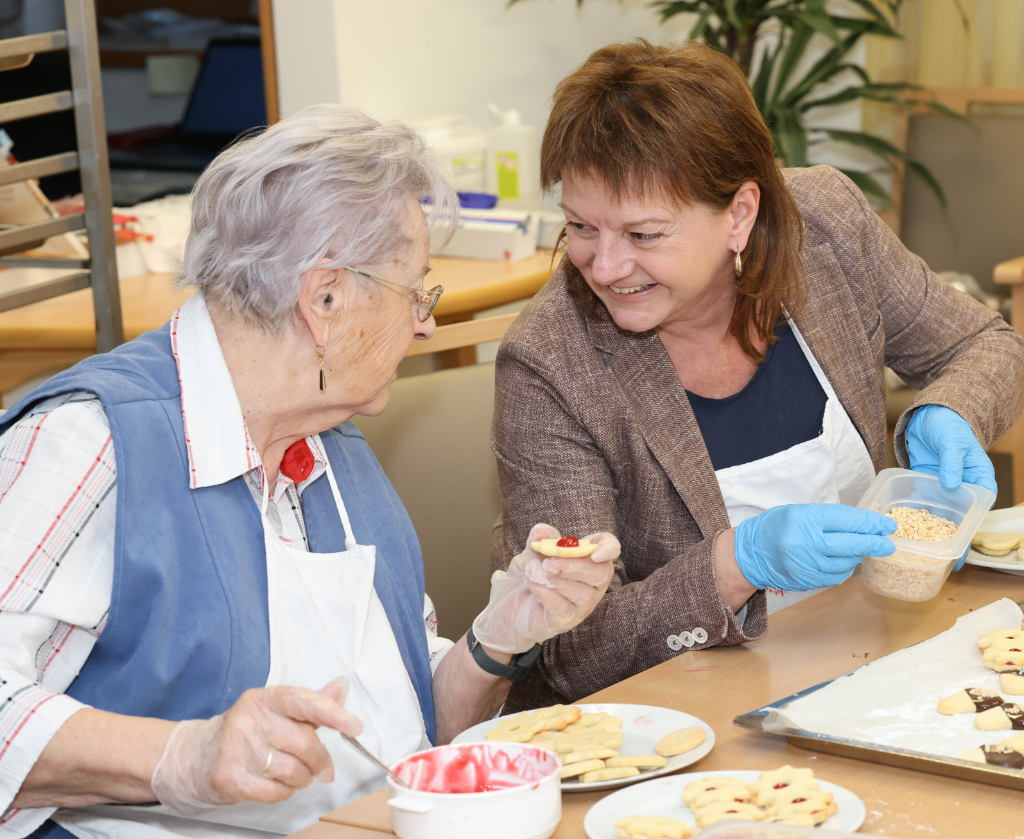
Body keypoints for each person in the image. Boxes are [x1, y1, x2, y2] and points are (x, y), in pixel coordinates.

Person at [0, 105, 618, 839]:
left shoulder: (327, 435)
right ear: (324, 299)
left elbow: (407, 728)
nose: (425, 323)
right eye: (416, 291)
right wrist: (182, 755)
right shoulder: (89, 440)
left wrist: (501, 635)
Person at [490, 40, 1024, 712]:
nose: (603, 266)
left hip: (875, 653)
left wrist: (947, 413)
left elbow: (985, 344)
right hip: (688, 710)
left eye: (644, 235)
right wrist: (734, 564)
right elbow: (570, 649)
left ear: (739, 214)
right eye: (579, 227)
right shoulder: (551, 361)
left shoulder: (824, 226)